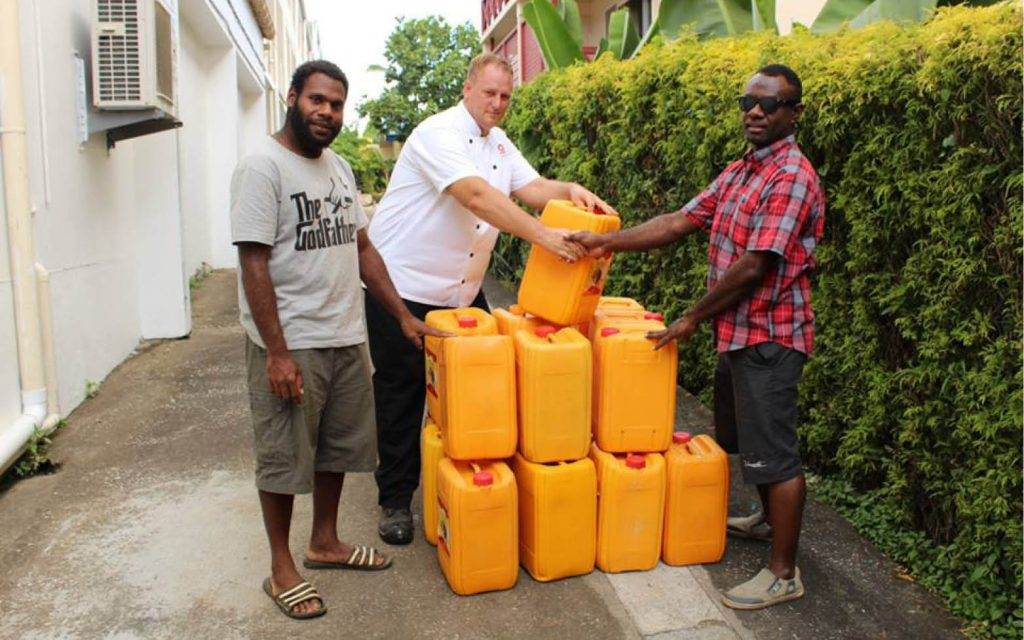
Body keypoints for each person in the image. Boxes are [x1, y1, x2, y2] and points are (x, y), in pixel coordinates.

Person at [571, 64, 824, 610]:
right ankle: (763, 520)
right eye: (748, 101)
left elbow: (755, 266)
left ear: (793, 113)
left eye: (771, 104)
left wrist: (690, 318)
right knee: (749, 443)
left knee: (775, 455)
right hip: (738, 334)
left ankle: (784, 572)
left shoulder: (791, 177)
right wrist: (604, 243)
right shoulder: (743, 171)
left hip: (770, 338)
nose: (755, 111)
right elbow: (679, 222)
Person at [367, 52, 614, 545]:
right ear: (467, 89)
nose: (497, 104)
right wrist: (544, 237)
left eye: (505, 96)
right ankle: (396, 500)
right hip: (404, 287)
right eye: (489, 93)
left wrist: (571, 190)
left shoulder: (498, 143)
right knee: (403, 394)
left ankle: (467, 484)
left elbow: (533, 187)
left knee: (479, 391)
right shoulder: (437, 134)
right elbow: (477, 197)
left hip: (462, 293)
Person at [231, 60, 442, 619]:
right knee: (282, 457)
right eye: (317, 100)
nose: (327, 113)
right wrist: (276, 352)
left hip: (346, 335)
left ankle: (325, 541)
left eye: (337, 105)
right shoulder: (263, 167)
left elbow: (363, 250)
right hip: (291, 339)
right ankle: (281, 568)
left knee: (338, 449)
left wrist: (400, 316)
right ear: (294, 96)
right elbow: (253, 261)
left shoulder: (340, 168)